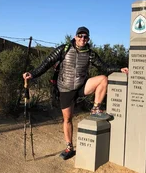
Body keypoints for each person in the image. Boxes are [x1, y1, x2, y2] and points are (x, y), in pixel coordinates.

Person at [23, 26, 128, 160]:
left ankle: (95, 108)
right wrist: (32, 74)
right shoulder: (64, 49)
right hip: (65, 89)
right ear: (75, 36)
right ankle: (69, 147)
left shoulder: (90, 53)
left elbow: (104, 67)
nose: (82, 39)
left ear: (88, 39)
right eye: (80, 36)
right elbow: (47, 63)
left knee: (103, 79)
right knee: (67, 119)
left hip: (81, 86)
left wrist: (119, 69)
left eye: (85, 37)